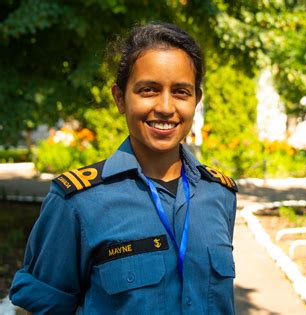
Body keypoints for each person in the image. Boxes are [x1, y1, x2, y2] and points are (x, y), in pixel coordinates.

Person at [9, 22, 238, 314]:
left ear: (196, 100)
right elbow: (35, 309)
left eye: (181, 91)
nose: (166, 107)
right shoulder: (77, 203)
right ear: (120, 98)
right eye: (148, 90)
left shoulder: (219, 195)